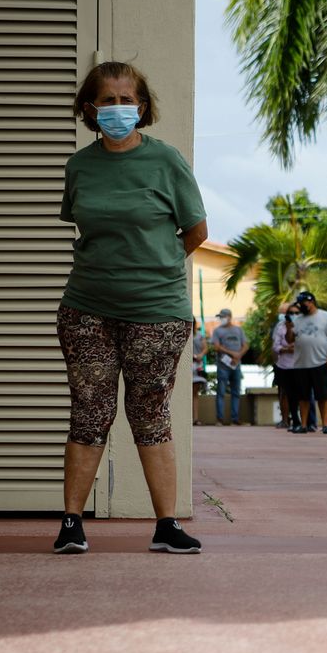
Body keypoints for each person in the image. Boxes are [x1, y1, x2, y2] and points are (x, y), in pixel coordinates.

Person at [53, 60, 207, 554]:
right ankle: (72, 524)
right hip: (86, 309)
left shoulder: (166, 161)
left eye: (127, 100)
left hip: (158, 312)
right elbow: (80, 224)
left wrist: (155, 268)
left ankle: (167, 526)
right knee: (89, 413)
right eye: (107, 99)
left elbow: (196, 231)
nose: (118, 108)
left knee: (150, 413)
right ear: (89, 108)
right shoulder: (79, 166)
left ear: (142, 107)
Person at [288, 291, 327, 434]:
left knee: (322, 396)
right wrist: (289, 327)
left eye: (303, 303)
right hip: (301, 364)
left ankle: (324, 424)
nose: (301, 306)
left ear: (311, 302)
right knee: (303, 396)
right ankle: (304, 424)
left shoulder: (324, 317)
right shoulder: (298, 320)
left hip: (320, 362)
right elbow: (290, 340)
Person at [211, 308, 246, 425]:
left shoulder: (238, 330)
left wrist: (238, 355)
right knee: (221, 392)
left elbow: (245, 345)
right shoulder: (217, 331)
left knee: (236, 392)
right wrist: (232, 353)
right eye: (220, 317)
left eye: (223, 317)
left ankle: (235, 419)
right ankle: (219, 419)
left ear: (229, 317)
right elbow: (216, 347)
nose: (221, 319)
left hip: (236, 365)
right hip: (223, 366)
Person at [273, 304, 301, 431]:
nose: (293, 315)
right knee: (284, 393)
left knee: (301, 394)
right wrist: (285, 349)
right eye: (291, 313)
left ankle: (304, 421)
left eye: (296, 312)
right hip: (283, 365)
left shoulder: (304, 325)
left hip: (300, 364)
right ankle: (285, 420)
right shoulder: (280, 327)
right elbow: (275, 346)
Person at [191, 319, 207, 396]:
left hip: (197, 365)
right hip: (187, 365)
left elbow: (205, 348)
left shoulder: (199, 335)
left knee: (195, 392)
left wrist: (200, 355)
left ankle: (195, 409)